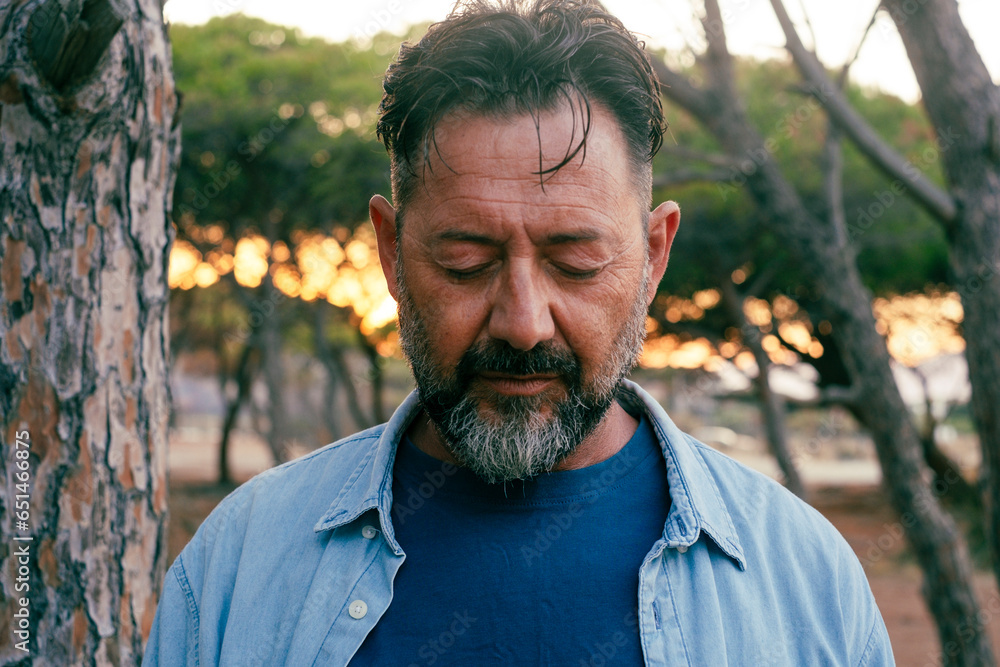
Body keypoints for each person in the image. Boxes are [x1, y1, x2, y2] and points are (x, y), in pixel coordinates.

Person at [144, 1, 894, 664]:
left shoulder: (808, 584)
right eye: (467, 261)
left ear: (654, 256)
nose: (524, 323)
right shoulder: (237, 567)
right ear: (391, 254)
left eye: (576, 261)